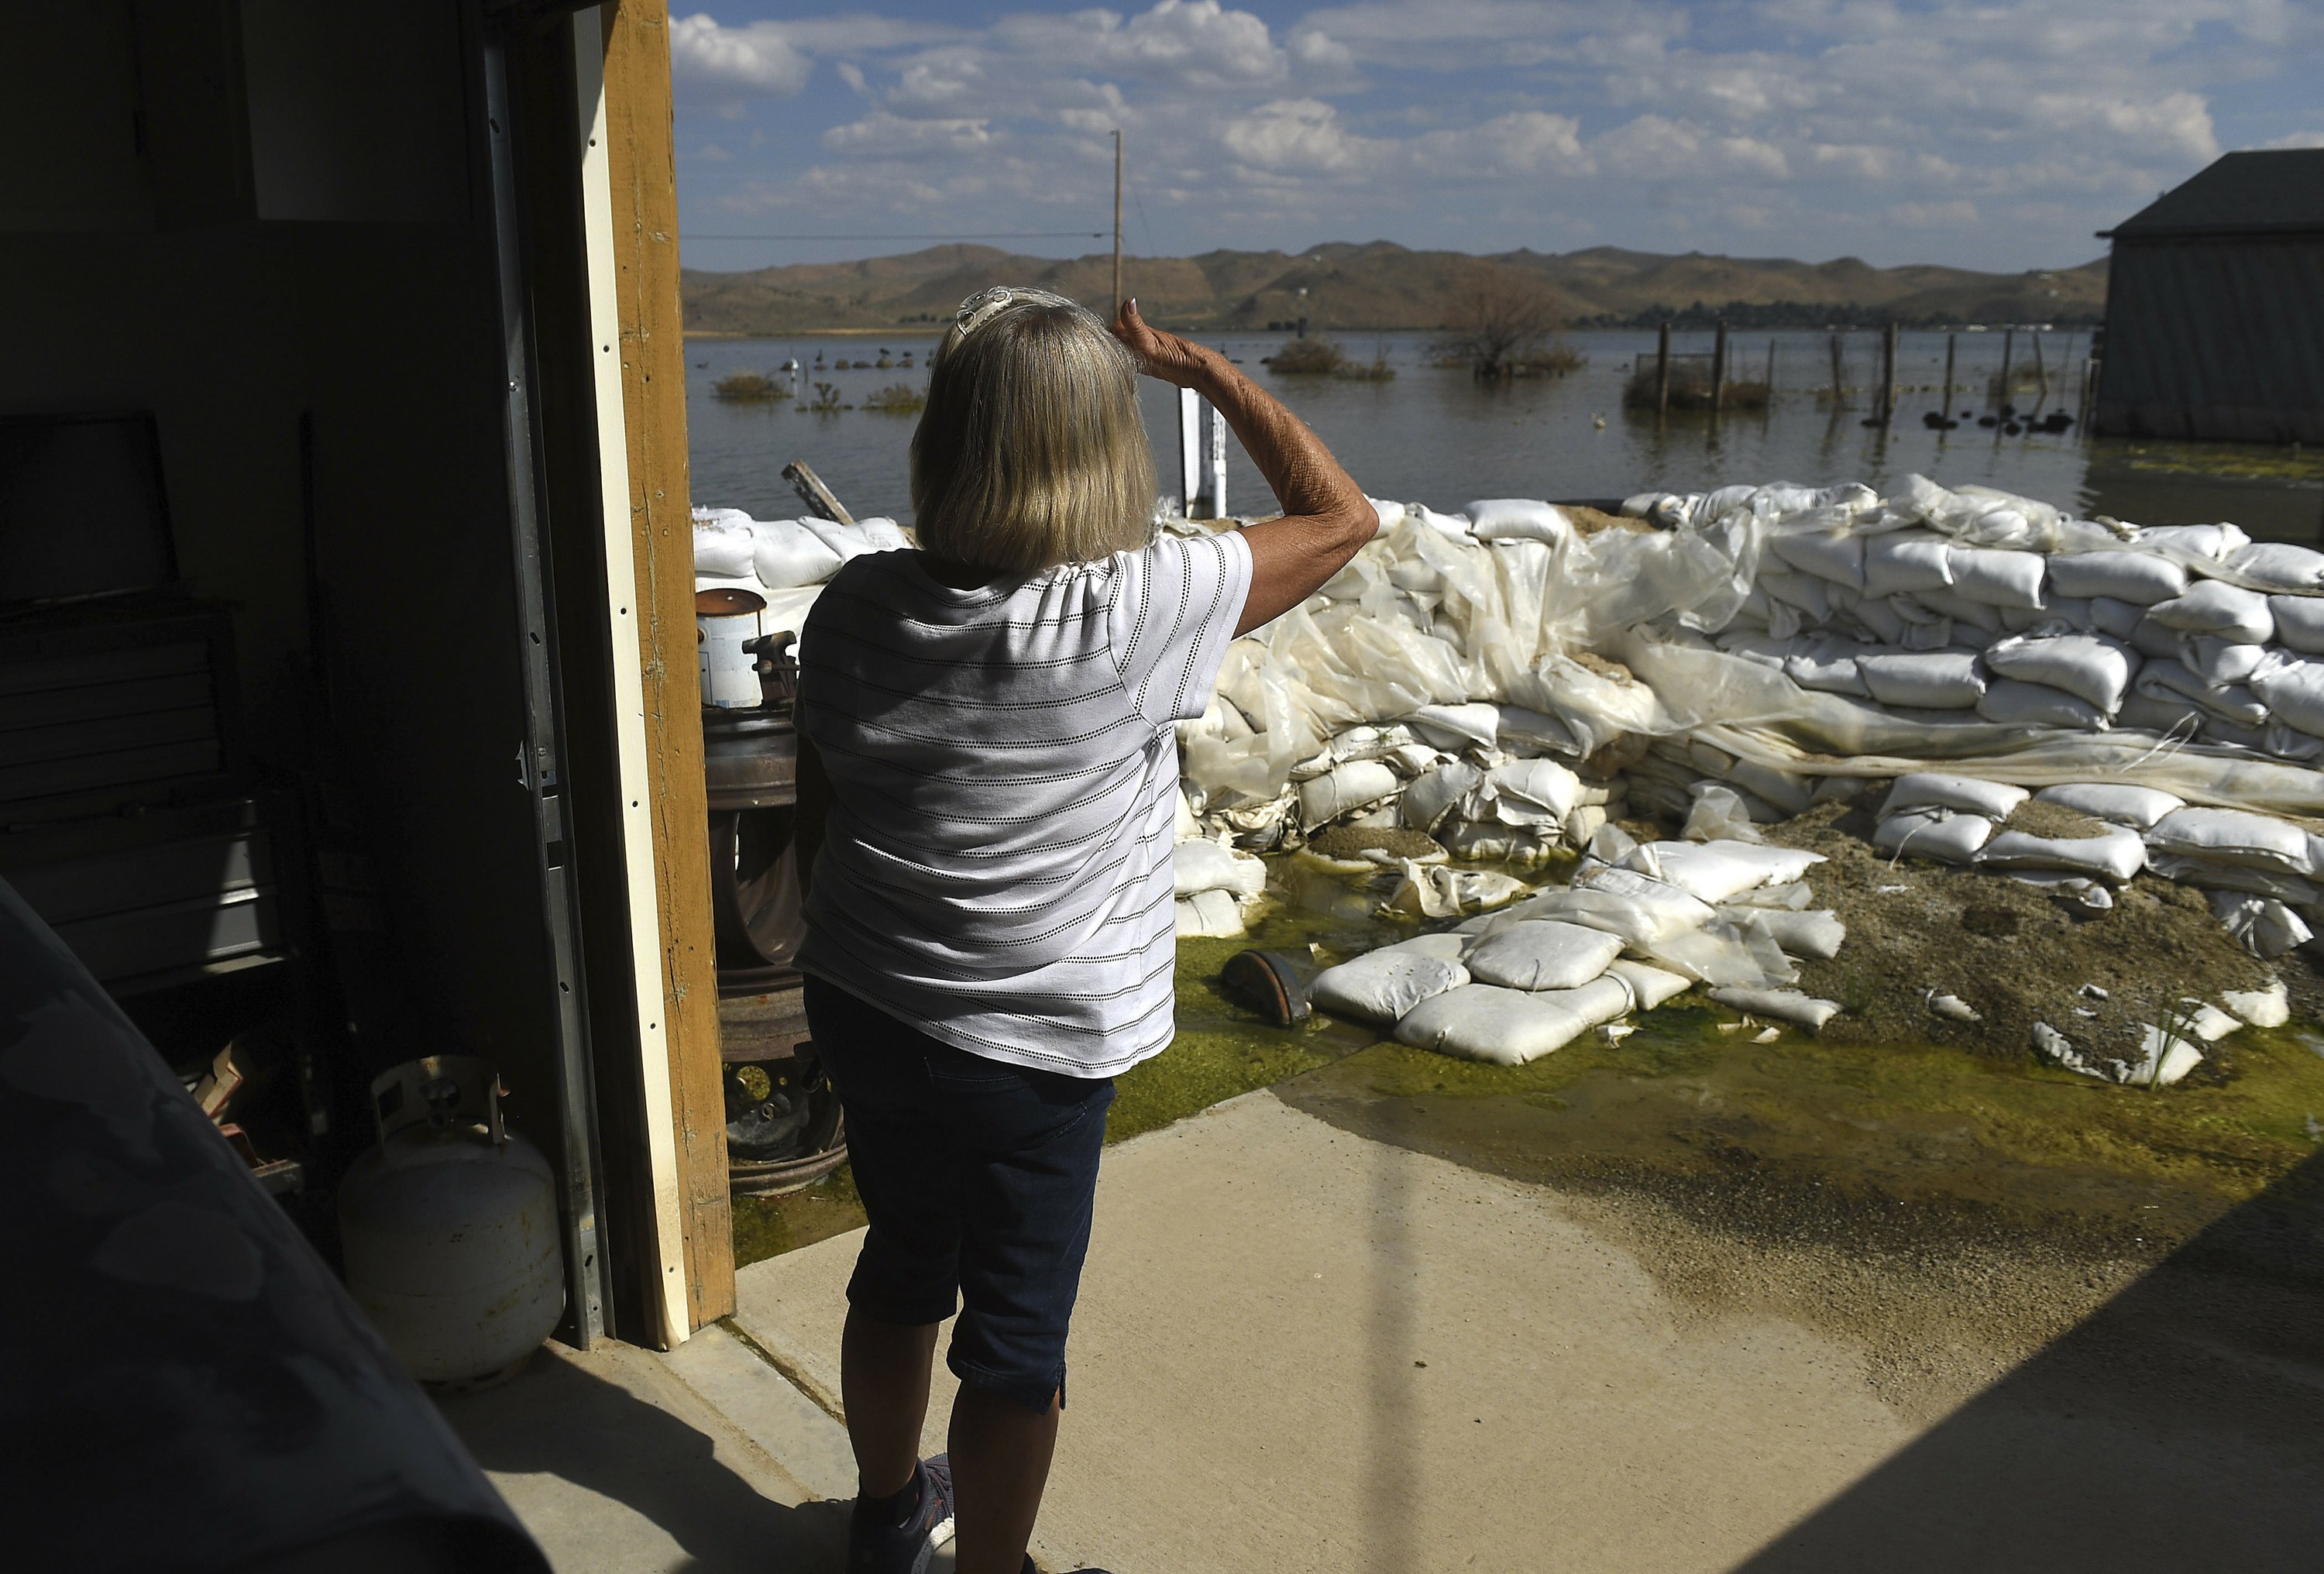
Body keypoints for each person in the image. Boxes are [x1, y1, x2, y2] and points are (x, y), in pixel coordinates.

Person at [790, 286, 1373, 1574]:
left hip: (864, 996)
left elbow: (820, 797)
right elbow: (1345, 519)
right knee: (1014, 1346)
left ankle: (884, 1519)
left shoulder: (855, 606)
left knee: (900, 1264)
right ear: (1106, 452)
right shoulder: (1131, 611)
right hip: (1029, 1044)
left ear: (944, 443)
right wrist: (1211, 373)